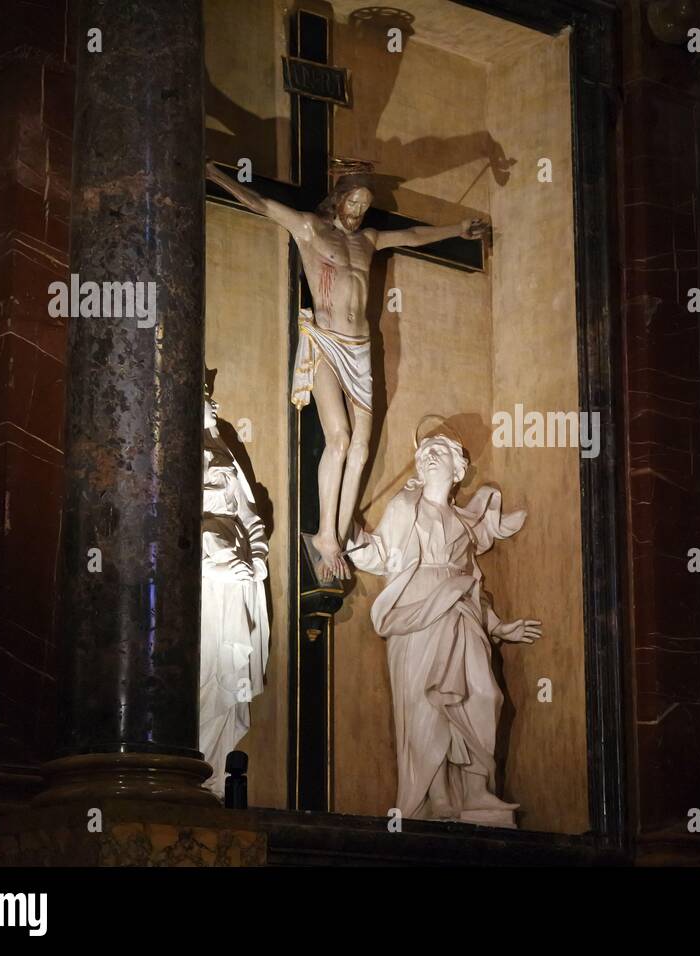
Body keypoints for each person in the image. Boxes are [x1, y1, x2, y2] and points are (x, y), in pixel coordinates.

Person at [205, 159, 489, 583]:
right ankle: (325, 535)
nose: (358, 211)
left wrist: (454, 229)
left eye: (365, 204)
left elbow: (411, 235)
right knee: (339, 438)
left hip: (360, 348)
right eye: (353, 201)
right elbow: (261, 203)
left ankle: (337, 533)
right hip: (326, 342)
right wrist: (217, 177)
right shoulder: (309, 229)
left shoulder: (369, 239)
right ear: (339, 199)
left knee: (362, 447)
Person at [350, 434, 541, 825]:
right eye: (426, 454)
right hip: (415, 613)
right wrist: (344, 534)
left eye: (441, 453)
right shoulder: (405, 507)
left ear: (458, 470)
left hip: (461, 612)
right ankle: (436, 797)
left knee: (484, 696)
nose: (431, 457)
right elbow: (382, 553)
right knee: (425, 707)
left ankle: (477, 791)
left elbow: (474, 582)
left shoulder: (464, 525)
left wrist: (498, 626)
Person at [199, 391, 270, 798]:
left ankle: (213, 773)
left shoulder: (223, 450)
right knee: (206, 668)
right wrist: (218, 563)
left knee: (231, 667)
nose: (215, 405)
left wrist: (256, 556)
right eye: (206, 398)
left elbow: (250, 515)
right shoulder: (172, 450)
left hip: (239, 573)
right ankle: (193, 769)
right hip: (207, 575)